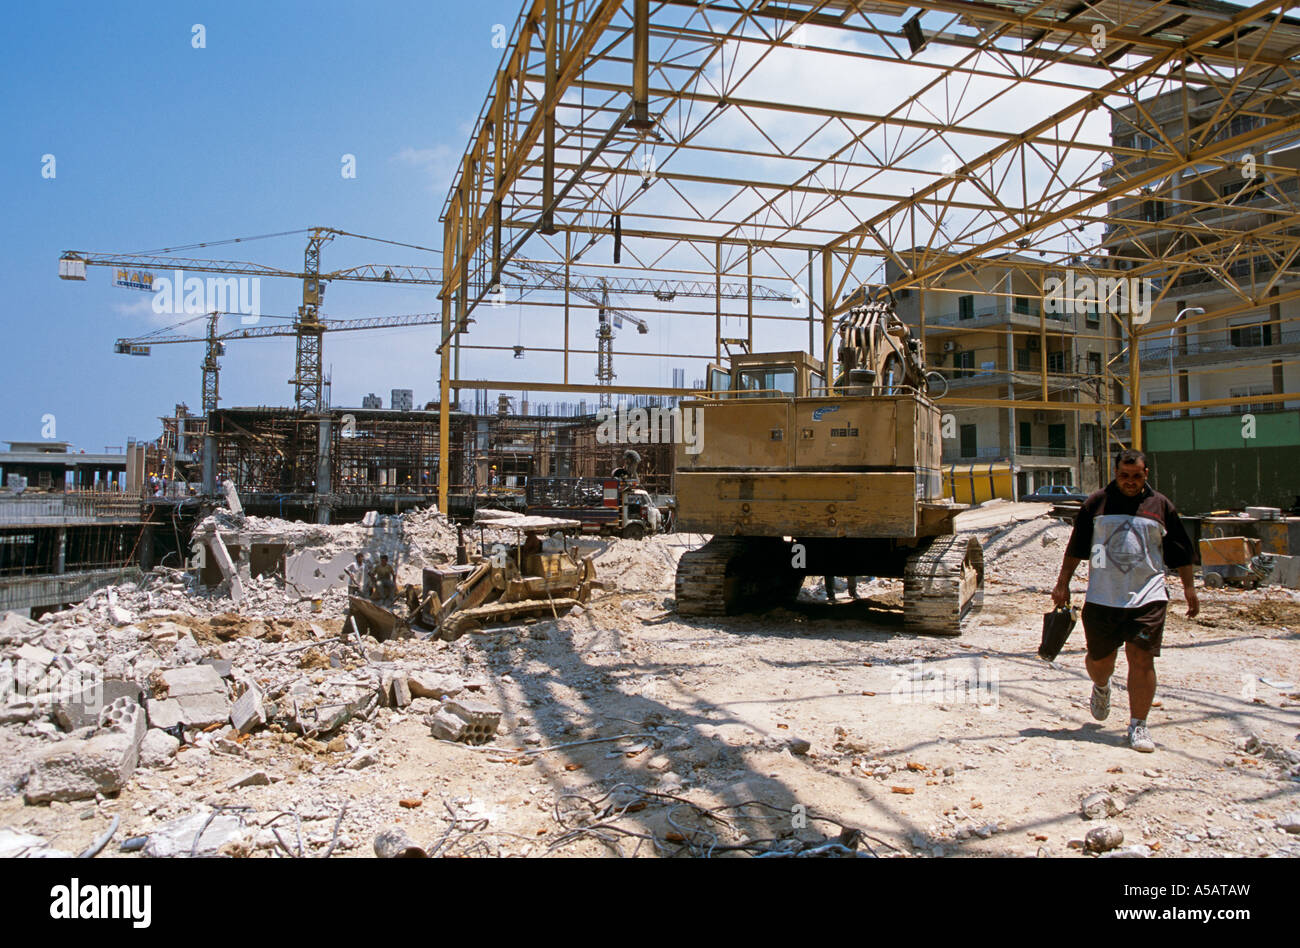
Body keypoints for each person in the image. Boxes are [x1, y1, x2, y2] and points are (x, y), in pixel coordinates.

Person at [1052, 449, 1198, 754]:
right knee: (1100, 662)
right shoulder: (1097, 503)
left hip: (1149, 596)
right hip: (1103, 597)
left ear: (1146, 474)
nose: (1130, 482)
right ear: (1115, 473)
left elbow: (1181, 550)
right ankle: (1102, 686)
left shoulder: (1161, 506)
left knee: (1141, 657)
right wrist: (1062, 583)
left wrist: (1189, 588)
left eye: (1136, 476)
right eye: (1124, 475)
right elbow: (1076, 546)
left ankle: (1138, 725)